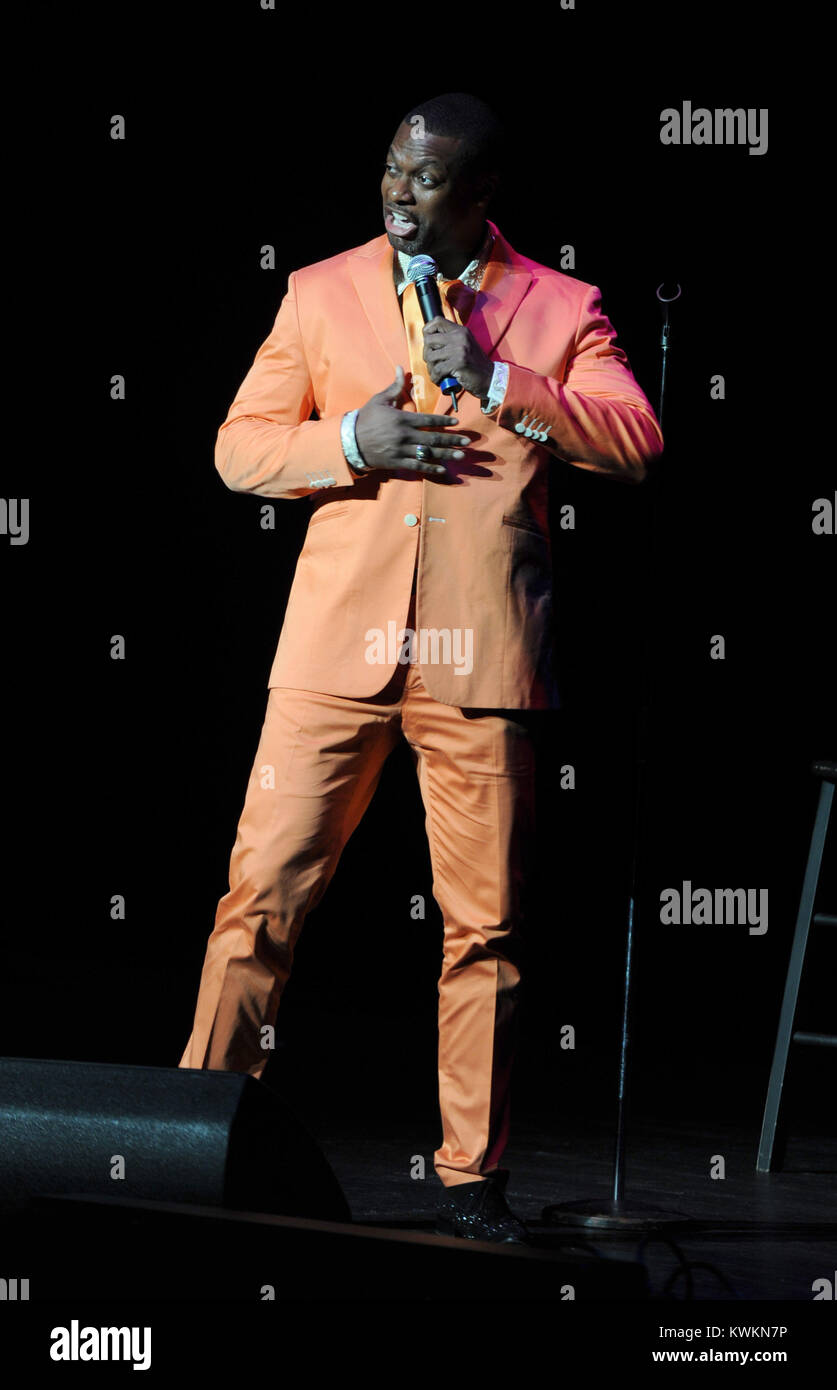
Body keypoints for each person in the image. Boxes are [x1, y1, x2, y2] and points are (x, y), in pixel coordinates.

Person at [178, 92, 664, 1243]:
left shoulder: (559, 306)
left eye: (429, 177)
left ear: (484, 194)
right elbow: (238, 448)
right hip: (332, 653)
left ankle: (467, 1180)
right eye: (393, 168)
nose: (400, 191)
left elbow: (637, 441)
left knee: (481, 930)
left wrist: (500, 380)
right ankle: (194, 1141)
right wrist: (353, 440)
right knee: (258, 904)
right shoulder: (319, 290)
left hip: (481, 660)